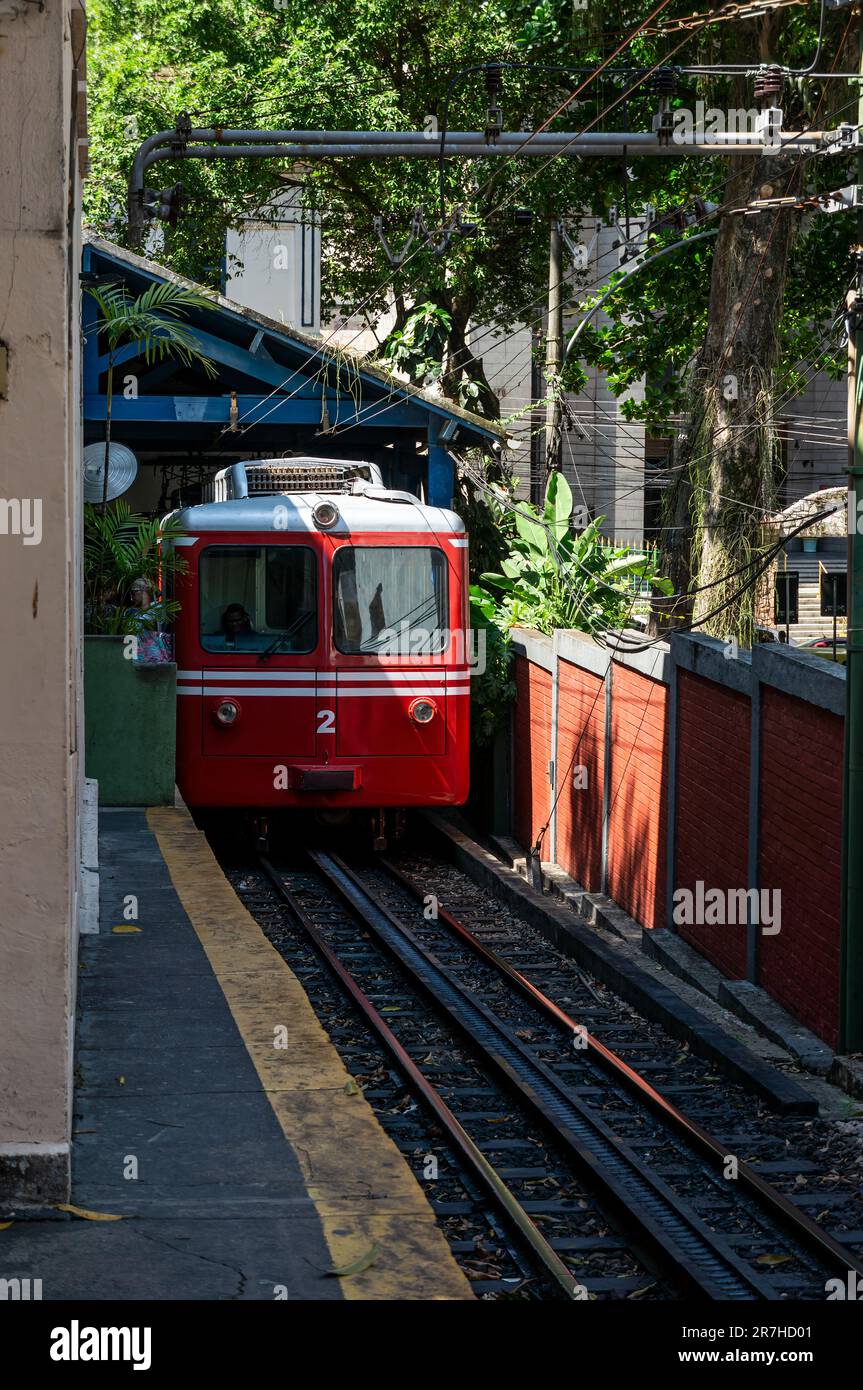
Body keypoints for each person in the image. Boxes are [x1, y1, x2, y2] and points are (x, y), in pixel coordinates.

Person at [126, 577, 172, 663]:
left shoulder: (158, 608)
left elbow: (145, 621)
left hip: (154, 658)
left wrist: (145, 599)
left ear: (145, 592)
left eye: (134, 592)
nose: (132, 597)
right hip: (139, 657)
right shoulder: (134, 611)